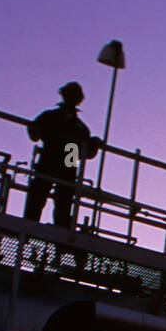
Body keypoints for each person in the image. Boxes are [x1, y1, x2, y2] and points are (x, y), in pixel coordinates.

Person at [23, 82, 102, 228]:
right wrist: (34, 127)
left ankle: (61, 228)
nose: (72, 98)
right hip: (50, 158)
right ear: (64, 95)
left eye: (75, 95)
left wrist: (94, 143)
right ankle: (29, 225)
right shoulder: (50, 117)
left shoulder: (81, 127)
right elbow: (34, 135)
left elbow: (87, 153)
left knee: (64, 200)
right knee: (38, 196)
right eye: (70, 94)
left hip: (69, 161)